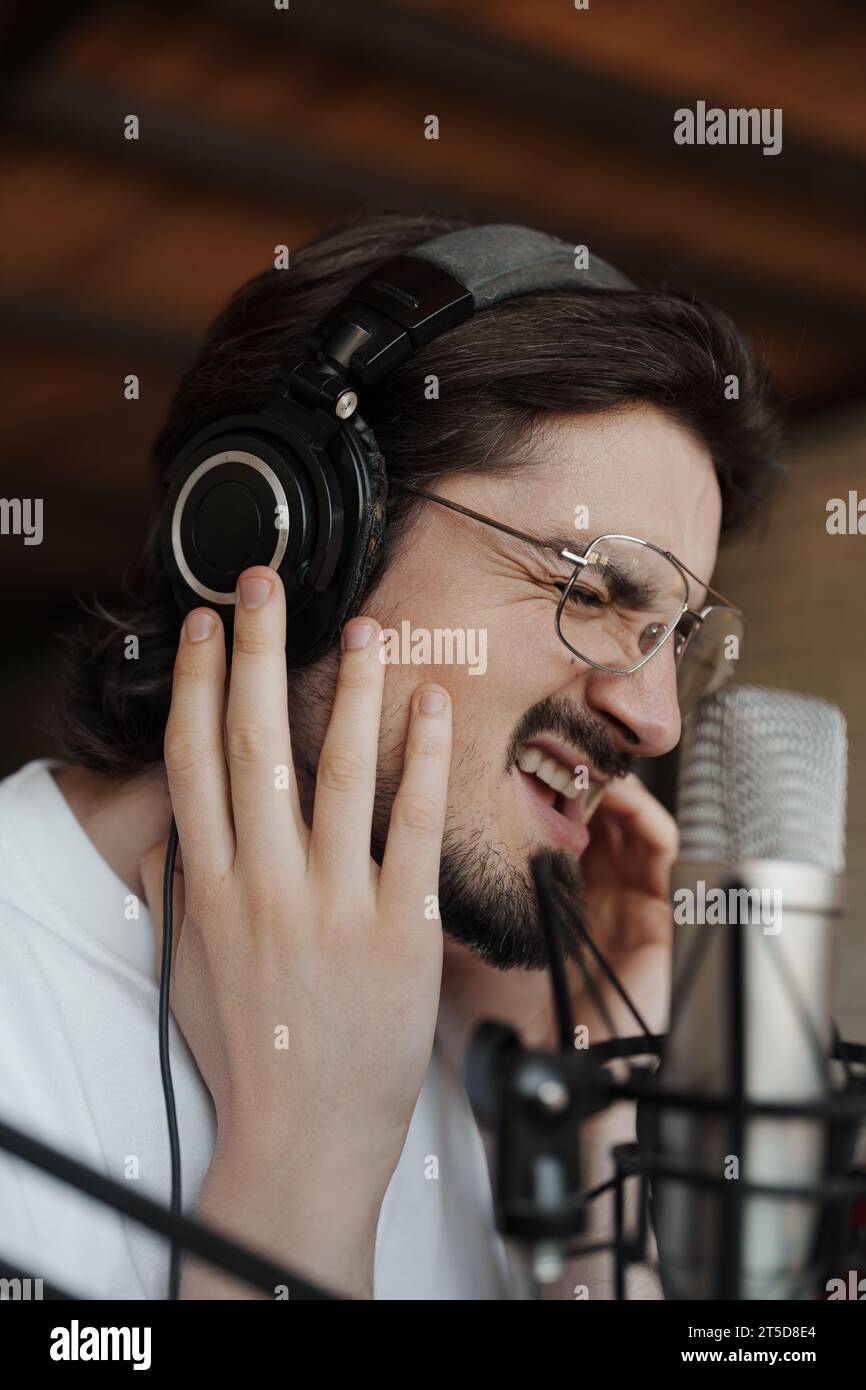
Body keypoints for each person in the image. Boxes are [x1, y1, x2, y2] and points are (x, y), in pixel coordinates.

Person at [0, 208, 781, 1300]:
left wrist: (590, 1142)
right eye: (594, 588)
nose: (656, 719)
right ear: (286, 535)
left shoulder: (498, 1042)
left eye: (673, 640)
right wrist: (304, 1163)